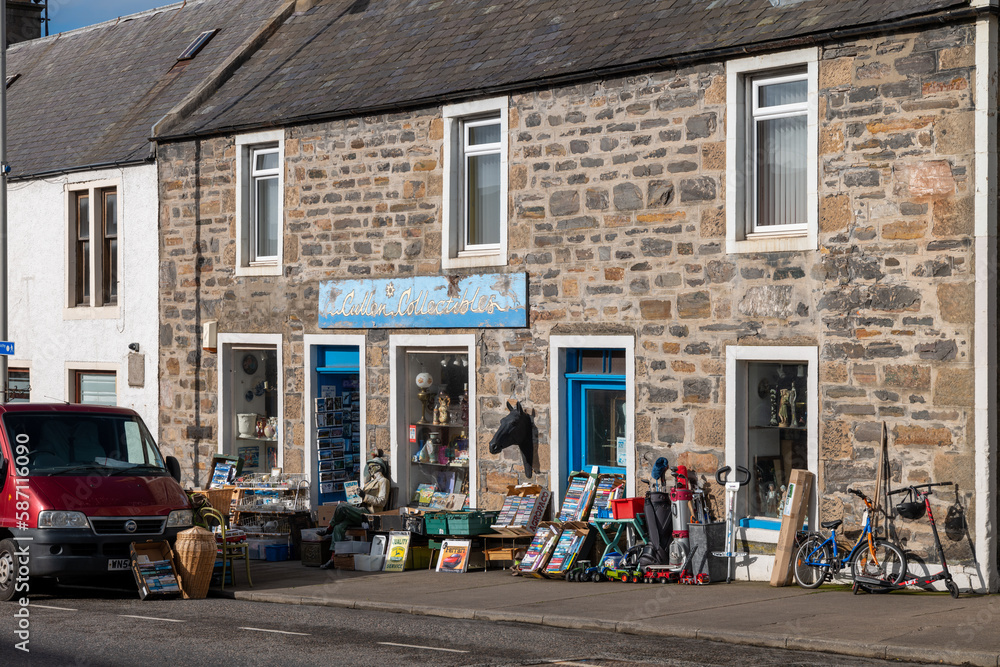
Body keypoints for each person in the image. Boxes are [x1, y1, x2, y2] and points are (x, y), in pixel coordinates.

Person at [319, 456, 390, 569]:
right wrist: (354, 499)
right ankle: (333, 559)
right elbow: (361, 499)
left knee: (341, 507)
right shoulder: (369, 483)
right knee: (339, 527)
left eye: (371, 466)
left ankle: (329, 528)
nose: (369, 469)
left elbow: (382, 502)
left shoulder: (383, 481)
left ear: (378, 467)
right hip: (360, 511)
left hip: (369, 514)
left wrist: (364, 496)